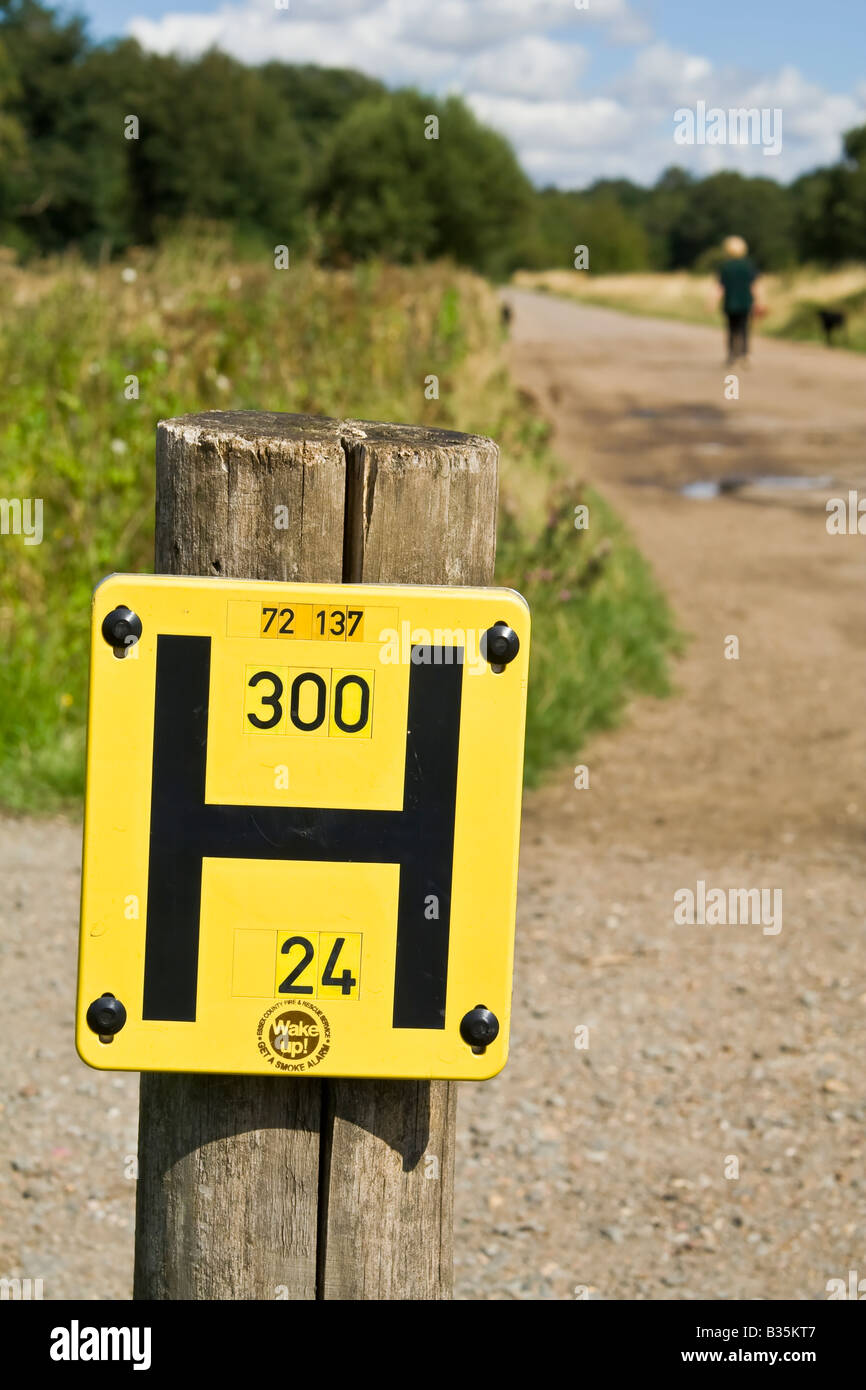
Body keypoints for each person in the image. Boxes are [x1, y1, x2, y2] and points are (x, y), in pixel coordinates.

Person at [717, 235, 762, 366]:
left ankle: (731, 355)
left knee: (731, 329)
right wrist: (760, 301)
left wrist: (712, 302)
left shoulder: (725, 267)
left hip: (730, 303)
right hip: (745, 303)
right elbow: (755, 286)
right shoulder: (748, 265)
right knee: (744, 329)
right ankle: (745, 354)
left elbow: (720, 287)